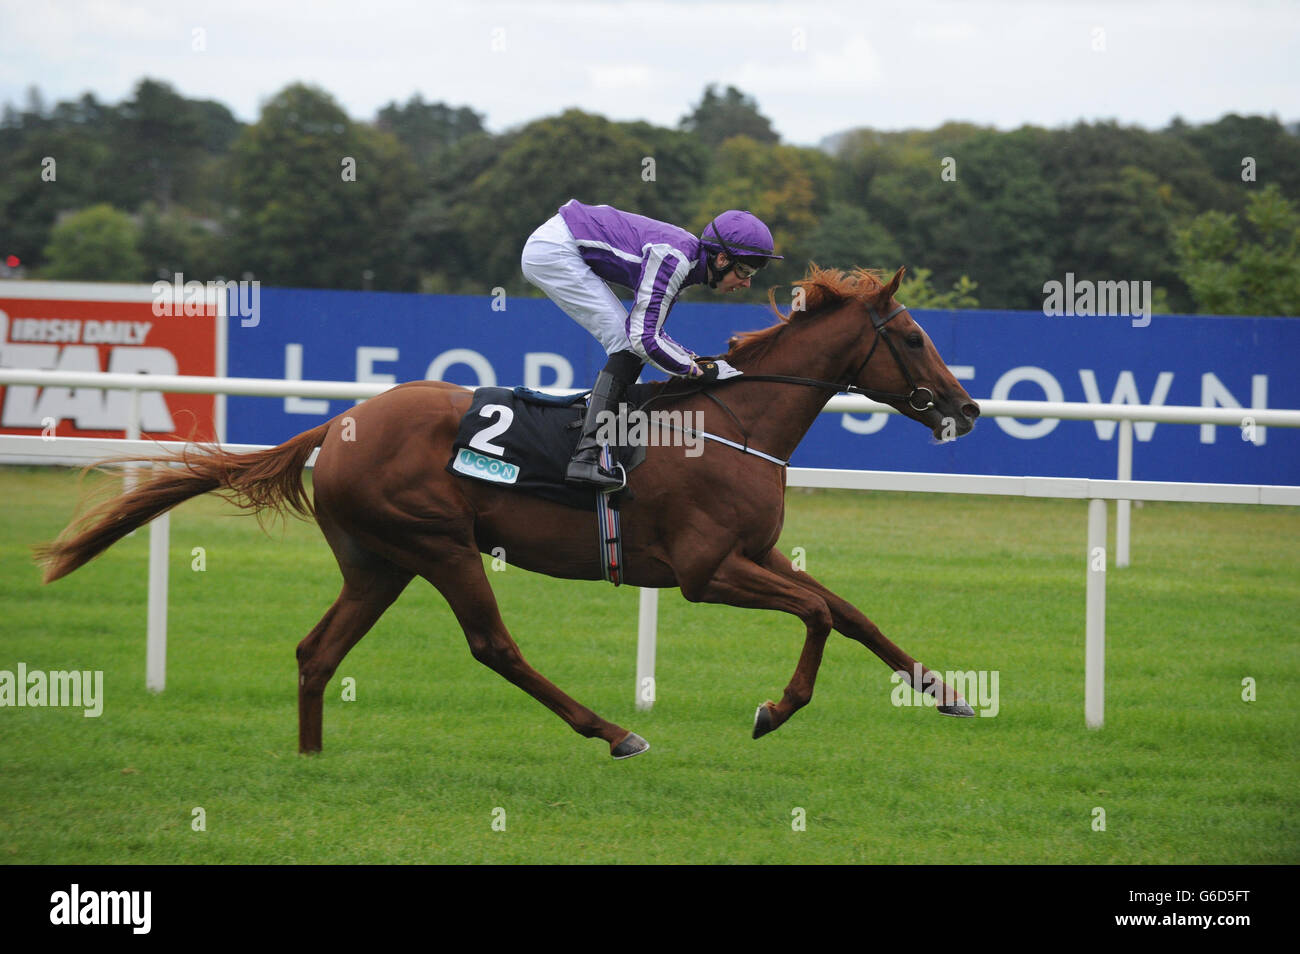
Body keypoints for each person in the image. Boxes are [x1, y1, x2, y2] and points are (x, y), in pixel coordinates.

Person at [521, 199, 783, 491]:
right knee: (626, 344)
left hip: (561, 242)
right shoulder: (675, 259)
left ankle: (596, 452)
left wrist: (694, 361)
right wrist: (694, 371)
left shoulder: (684, 263)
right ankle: (585, 459)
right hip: (554, 249)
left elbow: (651, 334)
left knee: (628, 342)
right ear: (721, 259)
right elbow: (643, 339)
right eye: (745, 272)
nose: (746, 283)